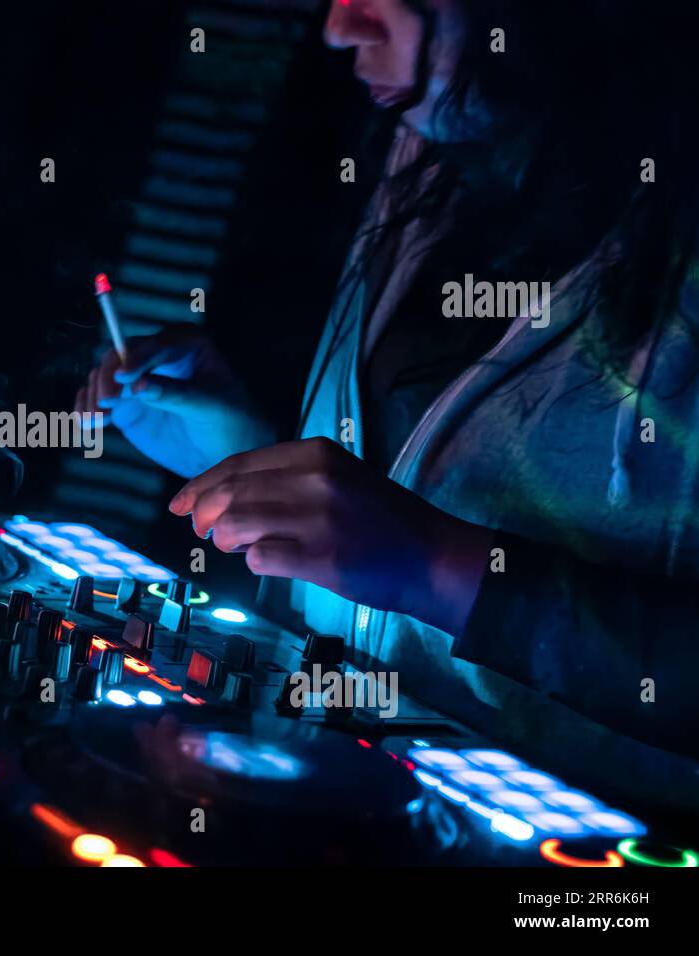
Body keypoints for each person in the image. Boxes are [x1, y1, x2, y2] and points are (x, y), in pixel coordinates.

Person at [77, 0, 699, 785]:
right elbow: (420, 496)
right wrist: (252, 461)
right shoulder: (437, 140)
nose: (340, 28)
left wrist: (434, 566)